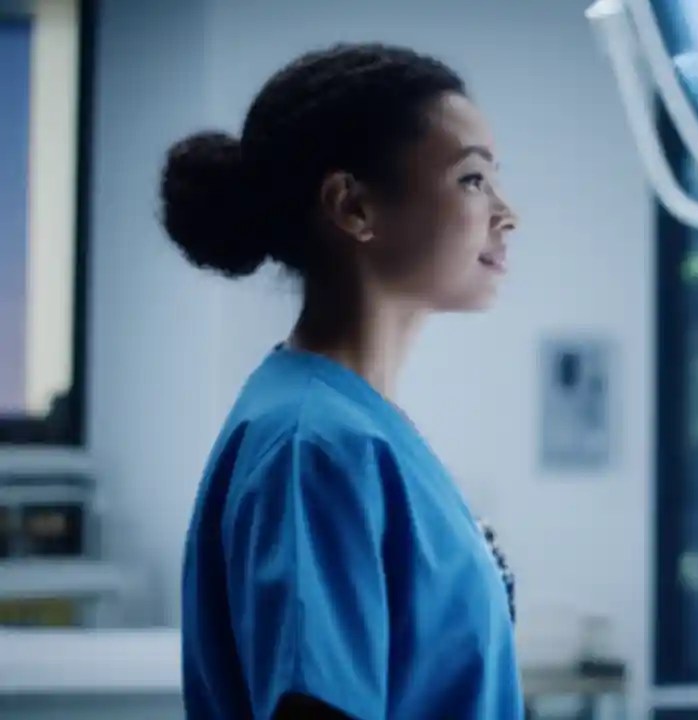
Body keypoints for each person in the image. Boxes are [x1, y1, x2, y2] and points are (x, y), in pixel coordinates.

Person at [164, 43, 521, 719]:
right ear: (353, 207)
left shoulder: (353, 425)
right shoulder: (314, 445)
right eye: (473, 180)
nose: (508, 213)